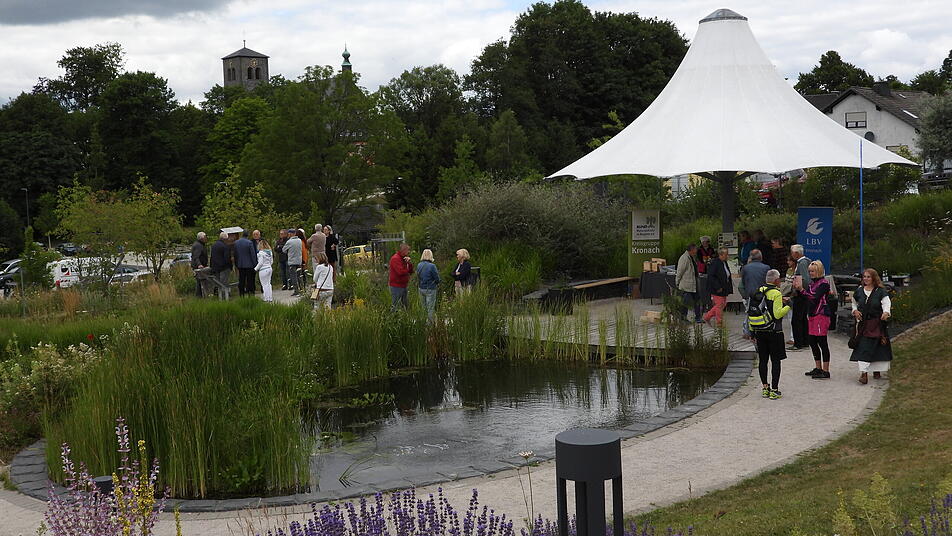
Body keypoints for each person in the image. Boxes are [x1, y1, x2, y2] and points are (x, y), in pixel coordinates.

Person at [850, 268, 893, 384]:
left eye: (868, 277)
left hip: (877, 323)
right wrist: (855, 311)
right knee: (863, 347)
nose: (866, 279)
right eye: (864, 276)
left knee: (877, 347)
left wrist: (886, 312)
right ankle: (864, 374)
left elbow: (886, 303)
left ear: (874, 278)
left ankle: (876, 370)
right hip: (864, 324)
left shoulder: (880, 291)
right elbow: (853, 303)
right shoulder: (859, 291)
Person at [754, 269, 791, 400]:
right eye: (779, 279)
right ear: (776, 280)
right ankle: (774, 390)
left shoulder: (758, 291)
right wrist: (788, 306)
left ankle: (765, 388)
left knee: (763, 360)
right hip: (774, 331)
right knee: (775, 361)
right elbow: (777, 314)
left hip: (760, 330)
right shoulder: (776, 293)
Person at [799, 260, 832, 379]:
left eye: (812, 271)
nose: (811, 273)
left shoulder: (823, 283)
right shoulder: (812, 284)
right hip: (812, 315)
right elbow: (807, 297)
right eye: (809, 271)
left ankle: (826, 370)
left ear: (818, 271)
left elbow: (814, 297)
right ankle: (818, 368)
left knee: (822, 342)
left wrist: (802, 290)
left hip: (821, 314)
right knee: (812, 341)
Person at [789, 244, 813, 351]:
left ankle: (798, 343)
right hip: (804, 294)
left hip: (801, 294)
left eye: (792, 252)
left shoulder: (802, 263)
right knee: (803, 318)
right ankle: (805, 341)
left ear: (796, 253)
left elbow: (805, 279)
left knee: (797, 319)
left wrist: (800, 289)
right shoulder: (807, 261)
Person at [703, 247, 732, 326]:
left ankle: (707, 317)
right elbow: (711, 276)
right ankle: (719, 322)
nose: (727, 256)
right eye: (726, 255)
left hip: (724, 287)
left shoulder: (724, 262)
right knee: (719, 305)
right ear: (721, 255)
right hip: (717, 288)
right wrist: (718, 287)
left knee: (723, 304)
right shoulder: (715, 263)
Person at [675, 244, 702, 322]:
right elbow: (680, 271)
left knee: (697, 300)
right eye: (695, 249)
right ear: (691, 250)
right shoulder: (684, 258)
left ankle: (698, 317)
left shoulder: (692, 257)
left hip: (694, 282)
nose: (696, 251)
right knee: (685, 302)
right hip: (686, 284)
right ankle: (683, 318)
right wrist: (677, 282)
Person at [417, 249, 441, 321]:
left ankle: (423, 323)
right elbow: (436, 278)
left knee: (423, 307)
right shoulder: (432, 266)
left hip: (421, 288)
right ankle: (430, 326)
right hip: (430, 288)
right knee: (430, 308)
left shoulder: (419, 265)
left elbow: (418, 276)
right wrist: (438, 282)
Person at [389, 243, 414, 310]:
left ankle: (405, 318)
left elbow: (411, 271)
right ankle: (394, 318)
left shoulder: (404, 259)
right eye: (408, 250)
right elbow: (400, 272)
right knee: (395, 304)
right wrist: (407, 268)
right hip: (396, 286)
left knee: (405, 304)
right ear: (403, 250)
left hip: (403, 285)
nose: (409, 252)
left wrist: (409, 263)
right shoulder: (395, 259)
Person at [779, 256, 797, 346]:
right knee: (790, 317)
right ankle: (792, 337)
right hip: (786, 293)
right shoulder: (789, 270)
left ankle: (794, 337)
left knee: (793, 317)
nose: (788, 262)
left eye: (789, 260)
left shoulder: (796, 271)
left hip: (791, 294)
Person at [234, 231, 258, 297]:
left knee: (241, 280)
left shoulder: (236, 243)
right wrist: (255, 264)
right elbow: (252, 254)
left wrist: (236, 264)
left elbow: (235, 254)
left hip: (240, 264)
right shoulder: (249, 243)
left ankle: (241, 293)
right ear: (247, 235)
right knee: (250, 280)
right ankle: (251, 293)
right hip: (249, 265)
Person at [209, 231, 233, 299]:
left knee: (218, 283)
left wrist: (212, 267)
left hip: (216, 267)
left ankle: (218, 296)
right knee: (224, 283)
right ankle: (225, 296)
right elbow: (227, 258)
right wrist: (230, 266)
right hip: (224, 268)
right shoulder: (225, 246)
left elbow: (212, 257)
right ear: (225, 239)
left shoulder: (214, 245)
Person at [283, 230, 303, 296]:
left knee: (293, 277)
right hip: (299, 261)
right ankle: (302, 289)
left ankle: (296, 290)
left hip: (292, 261)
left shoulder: (289, 242)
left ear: (290, 234)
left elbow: (284, 250)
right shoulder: (299, 240)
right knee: (299, 276)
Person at [190, 231, 208, 297]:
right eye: (205, 237)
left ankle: (200, 295)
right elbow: (196, 256)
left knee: (200, 280)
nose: (206, 238)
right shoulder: (198, 245)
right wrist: (199, 264)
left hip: (199, 265)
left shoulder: (200, 244)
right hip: (198, 266)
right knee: (200, 280)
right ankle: (199, 295)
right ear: (202, 238)